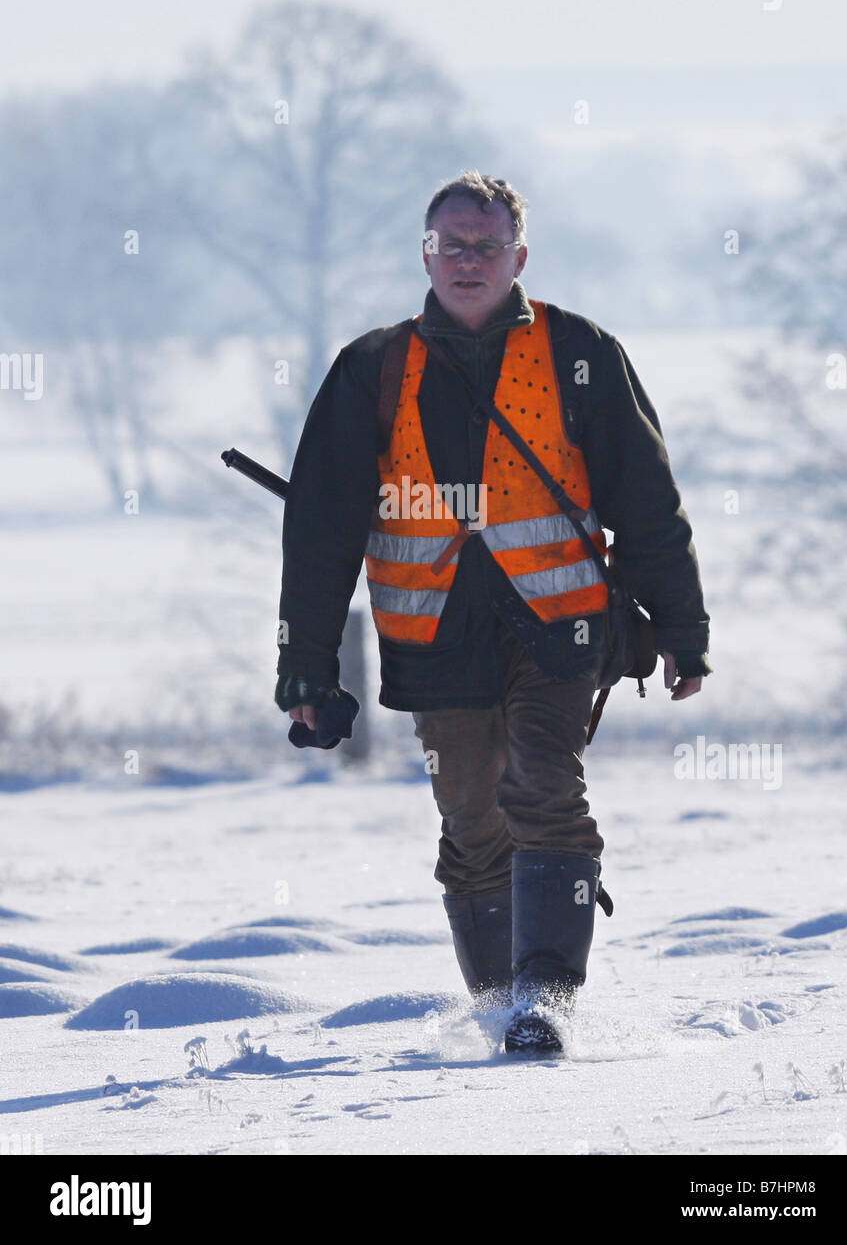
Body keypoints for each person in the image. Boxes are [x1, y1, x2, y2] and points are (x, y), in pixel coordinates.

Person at [275, 170, 710, 1056]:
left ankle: (545, 1002)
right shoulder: (370, 368)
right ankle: (497, 1008)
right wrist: (306, 668)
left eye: (487, 245)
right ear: (426, 253)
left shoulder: (581, 351)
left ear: (520, 255)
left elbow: (648, 502)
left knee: (544, 785)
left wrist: (685, 629)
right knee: (471, 820)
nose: (469, 260)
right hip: (433, 631)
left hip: (563, 625)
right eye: (452, 245)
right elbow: (319, 532)